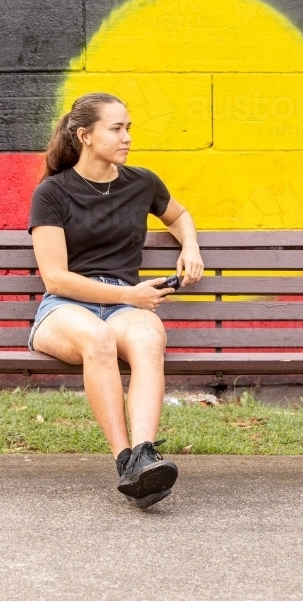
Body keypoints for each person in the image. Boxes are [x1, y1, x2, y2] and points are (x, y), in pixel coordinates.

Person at [27, 92, 205, 509]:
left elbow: (178, 215)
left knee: (148, 338)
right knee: (98, 339)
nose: (127, 137)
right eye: (116, 128)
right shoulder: (52, 193)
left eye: (129, 128)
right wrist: (130, 294)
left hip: (124, 305)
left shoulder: (142, 182)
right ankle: (125, 460)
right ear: (85, 136)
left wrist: (190, 246)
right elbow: (56, 278)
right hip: (66, 307)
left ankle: (145, 455)